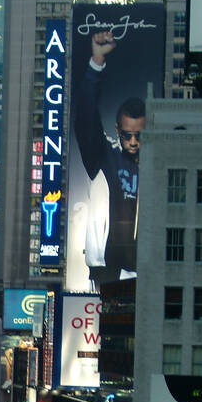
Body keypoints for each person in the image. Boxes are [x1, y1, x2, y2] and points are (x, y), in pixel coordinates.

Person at [72, 27, 144, 285]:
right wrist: (96, 64)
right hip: (108, 271)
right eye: (127, 135)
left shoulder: (158, 168)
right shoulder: (106, 160)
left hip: (145, 272)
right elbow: (85, 121)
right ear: (118, 131)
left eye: (140, 136)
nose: (134, 142)